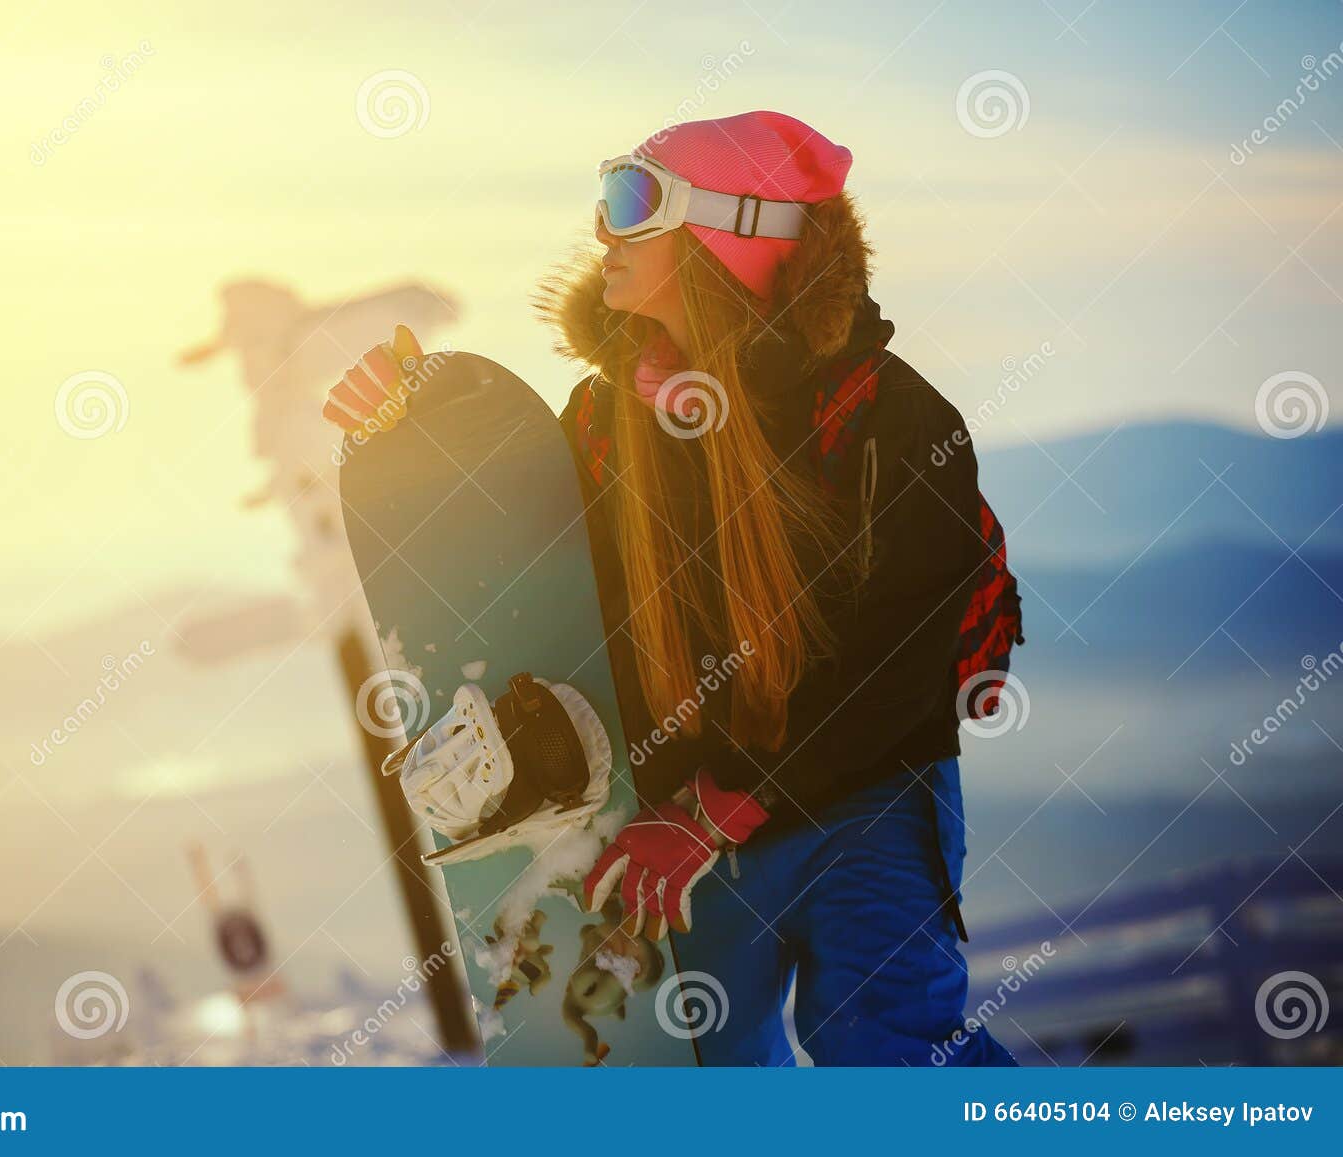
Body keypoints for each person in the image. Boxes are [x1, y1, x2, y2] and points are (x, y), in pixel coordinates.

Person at [322, 110, 1020, 1066]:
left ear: (733, 234)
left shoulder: (888, 418)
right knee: (710, 1072)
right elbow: (541, 565)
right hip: (685, 803)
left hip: (862, 795)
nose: (602, 228)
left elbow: (898, 665)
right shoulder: (608, 420)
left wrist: (715, 810)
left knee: (889, 1054)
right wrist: (412, 414)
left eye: (634, 199)